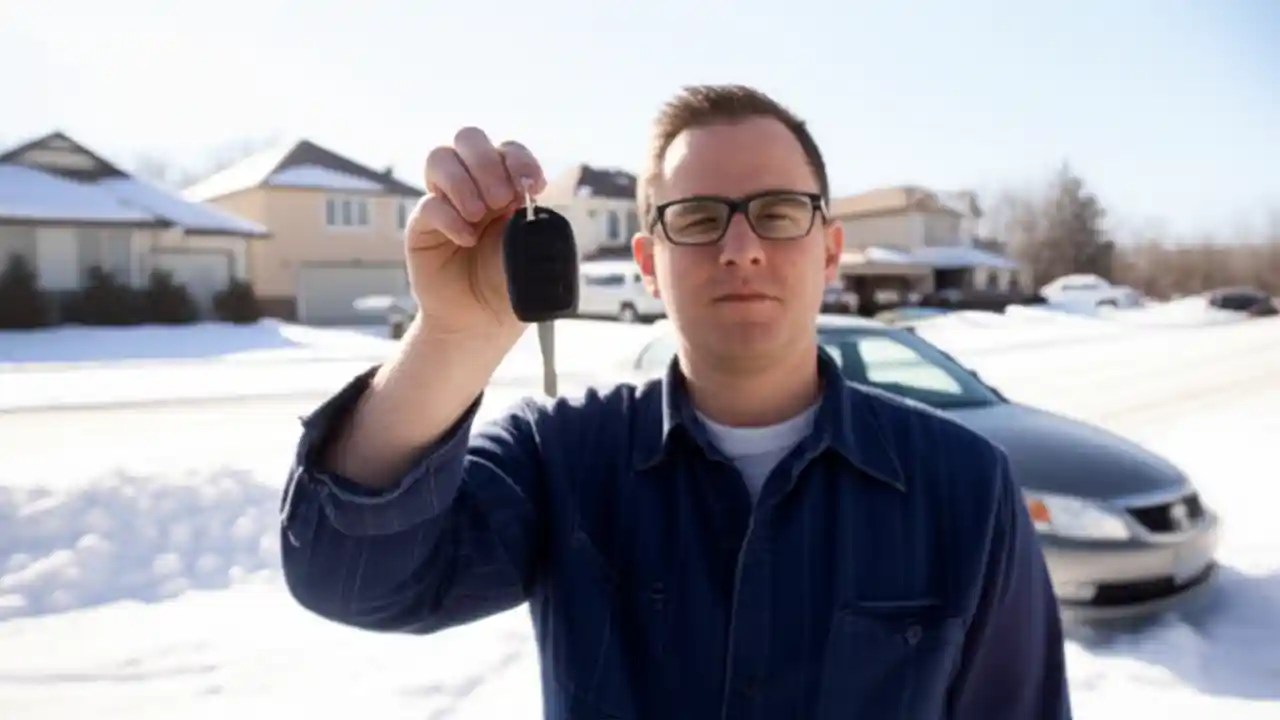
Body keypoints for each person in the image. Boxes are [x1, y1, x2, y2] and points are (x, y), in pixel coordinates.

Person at [279, 84, 1072, 719]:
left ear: (829, 250)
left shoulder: (964, 487)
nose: (741, 246)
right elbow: (348, 577)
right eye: (696, 218)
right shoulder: (562, 461)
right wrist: (452, 338)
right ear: (648, 262)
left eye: (779, 211)